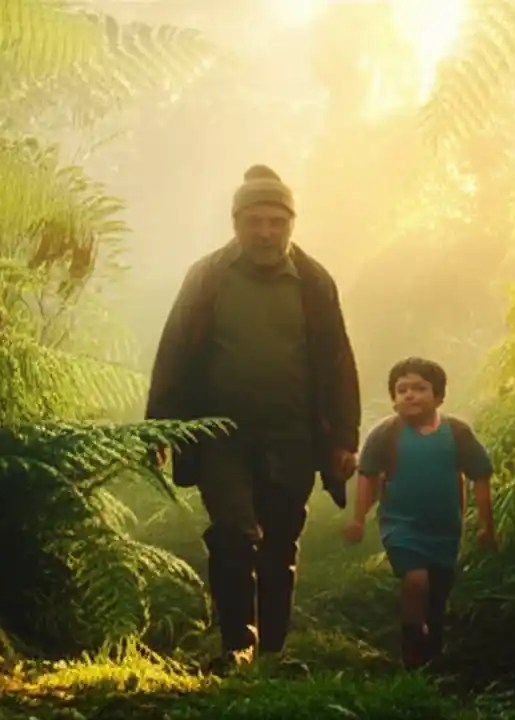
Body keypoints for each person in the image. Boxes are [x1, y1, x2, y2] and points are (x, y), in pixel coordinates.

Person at [145, 164, 360, 671]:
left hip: (293, 434)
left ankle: (274, 648)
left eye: (276, 222)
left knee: (281, 538)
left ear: (291, 223)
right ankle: (236, 645)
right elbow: (174, 352)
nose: (266, 232)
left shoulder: (313, 282)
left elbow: (338, 361)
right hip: (221, 434)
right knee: (233, 534)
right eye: (255, 221)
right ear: (236, 222)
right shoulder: (208, 277)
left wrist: (343, 436)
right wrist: (159, 427)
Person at [343, 357, 496, 670]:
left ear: (438, 396)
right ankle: (411, 644)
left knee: (437, 594)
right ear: (393, 400)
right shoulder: (385, 434)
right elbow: (367, 476)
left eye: (419, 388)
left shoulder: (456, 434)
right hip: (400, 526)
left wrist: (486, 525)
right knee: (416, 581)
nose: (409, 395)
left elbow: (480, 474)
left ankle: (432, 653)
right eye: (401, 390)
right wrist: (358, 520)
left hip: (444, 530)